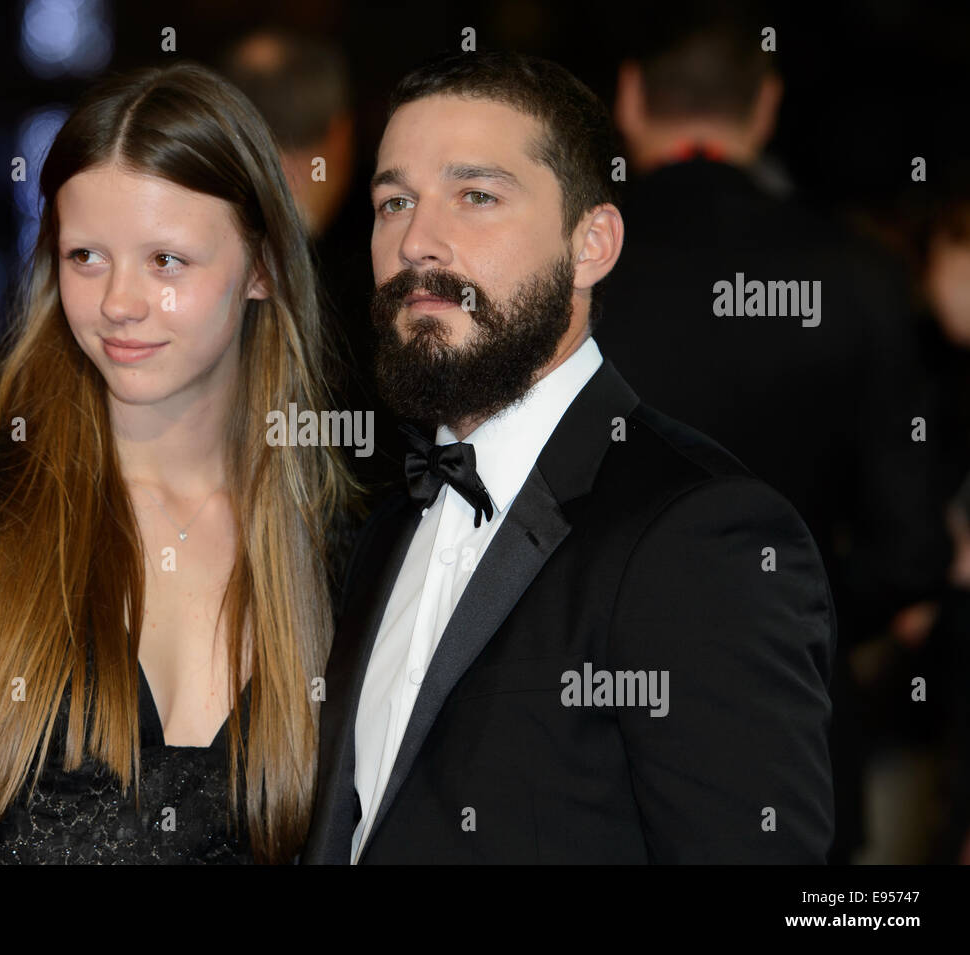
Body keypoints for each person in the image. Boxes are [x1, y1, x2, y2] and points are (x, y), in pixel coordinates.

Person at [303, 50, 835, 864]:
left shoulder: (699, 534)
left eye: (475, 195)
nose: (417, 240)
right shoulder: (384, 525)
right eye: (393, 201)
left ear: (592, 244)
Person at [0, 61, 360, 865]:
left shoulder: (338, 556)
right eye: (85, 256)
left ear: (263, 268)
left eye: (165, 261)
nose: (118, 301)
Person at [598, 5, 948, 862]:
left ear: (631, 97)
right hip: (796, 745)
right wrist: (790, 615)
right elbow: (912, 551)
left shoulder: (572, 274)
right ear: (767, 105)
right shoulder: (860, 275)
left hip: (599, 745)